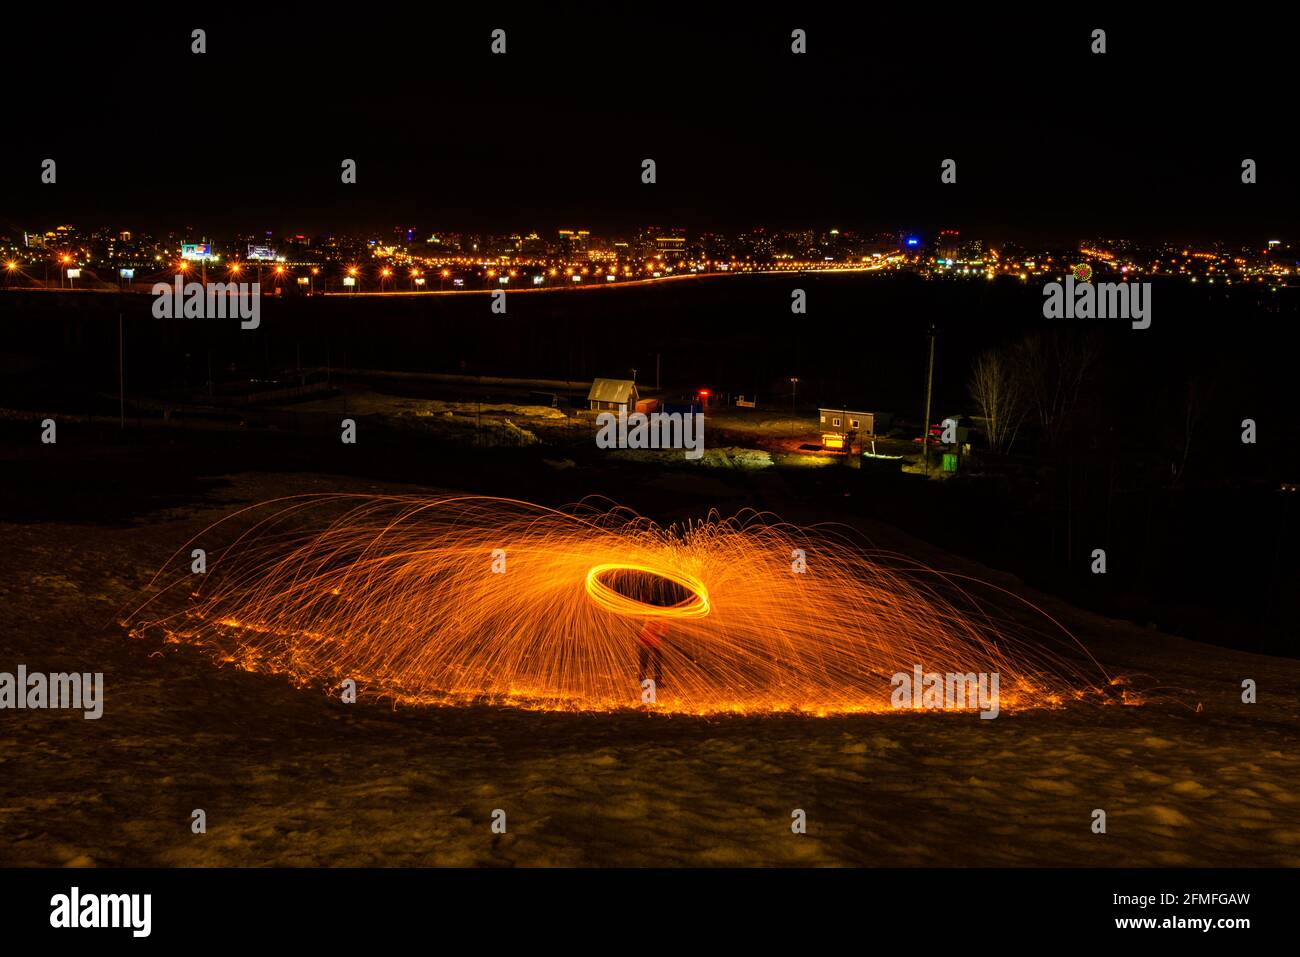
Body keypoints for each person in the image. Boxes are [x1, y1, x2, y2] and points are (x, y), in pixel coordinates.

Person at [637, 618, 668, 690]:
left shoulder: (661, 619)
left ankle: (654, 681)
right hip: (647, 641)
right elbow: (662, 632)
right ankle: (646, 681)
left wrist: (659, 633)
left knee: (653, 662)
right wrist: (659, 633)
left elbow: (663, 632)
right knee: (648, 662)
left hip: (651, 641)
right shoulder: (658, 618)